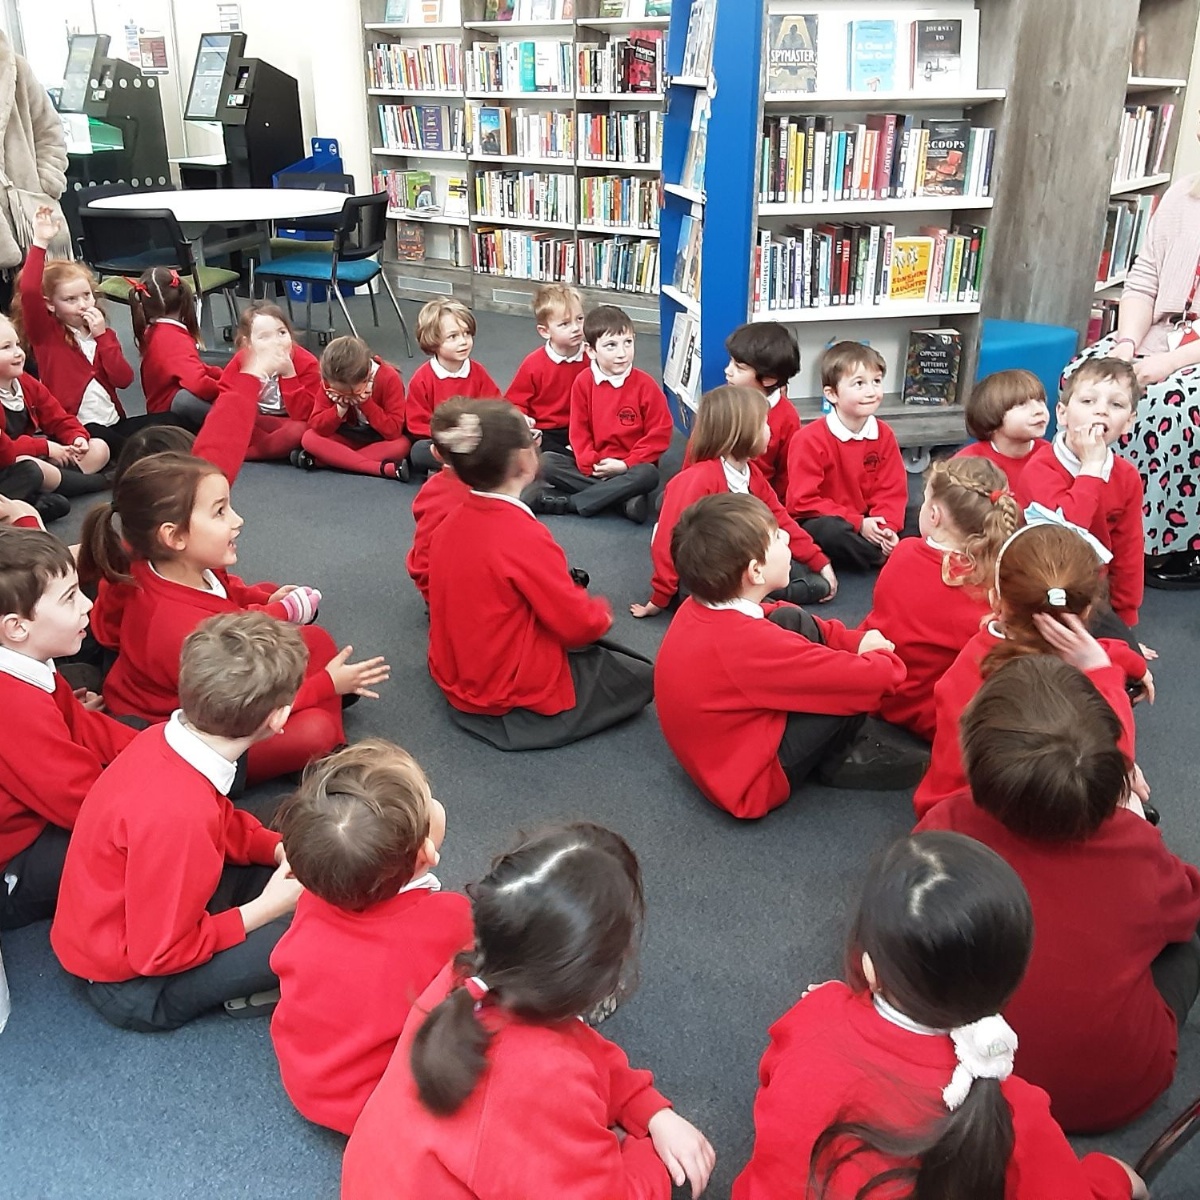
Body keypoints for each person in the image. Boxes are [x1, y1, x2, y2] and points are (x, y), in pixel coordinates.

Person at [732, 831, 1148, 1200]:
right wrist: (1115, 1181)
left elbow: (772, 1086)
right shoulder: (1011, 1111)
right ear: (1011, 979)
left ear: (872, 968)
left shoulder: (813, 1017)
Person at [342, 821, 717, 1199]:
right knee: (679, 1176)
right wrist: (649, 1155)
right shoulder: (548, 1076)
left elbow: (583, 1047)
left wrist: (649, 1110)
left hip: (391, 1181)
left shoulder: (466, 977)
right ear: (596, 978)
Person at [917, 655, 1200, 1133]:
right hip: (1112, 1092)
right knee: (1184, 939)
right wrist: (1133, 823)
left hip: (960, 1079)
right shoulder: (1134, 848)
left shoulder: (943, 824)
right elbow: (1186, 909)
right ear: (1112, 773)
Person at [50, 613, 309, 1032]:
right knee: (308, 933)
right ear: (278, 719)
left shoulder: (164, 739)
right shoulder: (181, 816)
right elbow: (158, 954)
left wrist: (274, 847)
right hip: (135, 985)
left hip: (139, 921)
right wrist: (265, 909)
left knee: (287, 828)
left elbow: (221, 819)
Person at [85, 450, 389, 783]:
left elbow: (228, 595)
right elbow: (235, 709)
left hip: (230, 681)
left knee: (314, 640)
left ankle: (316, 717)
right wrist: (325, 685)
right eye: (219, 512)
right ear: (174, 536)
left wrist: (265, 599)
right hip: (204, 730)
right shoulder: (179, 631)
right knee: (314, 732)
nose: (237, 519)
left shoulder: (182, 564)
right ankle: (325, 744)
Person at [654, 494, 926, 820]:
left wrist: (853, 641)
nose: (786, 536)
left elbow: (777, 612)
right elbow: (877, 680)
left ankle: (832, 744)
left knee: (790, 619)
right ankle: (838, 760)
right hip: (749, 784)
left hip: (717, 751)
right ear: (755, 571)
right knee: (850, 692)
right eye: (775, 537)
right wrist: (881, 654)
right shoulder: (750, 645)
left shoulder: (701, 605)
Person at [269, 739, 473, 1136]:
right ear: (426, 854)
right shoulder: (452, 918)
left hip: (306, 1078)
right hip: (375, 1107)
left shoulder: (315, 898)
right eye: (429, 798)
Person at [426, 400, 653, 750]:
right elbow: (576, 624)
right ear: (523, 459)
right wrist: (601, 614)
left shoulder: (450, 521)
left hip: (455, 670)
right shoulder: (523, 535)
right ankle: (524, 721)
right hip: (503, 687)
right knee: (641, 677)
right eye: (534, 439)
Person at [912, 521, 1149, 818]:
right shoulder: (1069, 681)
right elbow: (1118, 755)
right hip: (1013, 818)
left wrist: (1121, 660)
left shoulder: (971, 663)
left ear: (996, 600)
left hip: (951, 815)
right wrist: (1103, 671)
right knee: (1131, 803)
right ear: (1087, 611)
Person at [1063, 172, 1200, 586]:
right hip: (1160, 332)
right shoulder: (1180, 195)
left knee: (1167, 403)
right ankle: (1079, 509)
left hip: (1192, 351)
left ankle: (1162, 544)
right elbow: (1144, 281)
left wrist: (1171, 362)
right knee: (1084, 379)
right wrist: (1125, 345)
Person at [0, 527, 135, 929]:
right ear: (17, 627)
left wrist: (163, 750)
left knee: (136, 733)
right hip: (16, 859)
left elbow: (83, 725)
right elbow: (80, 801)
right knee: (129, 846)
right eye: (70, 598)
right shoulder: (14, 706)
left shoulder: (29, 660)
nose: (88, 604)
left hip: (43, 810)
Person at [631, 385, 835, 617]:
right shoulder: (698, 479)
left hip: (741, 559)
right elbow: (667, 540)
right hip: (705, 572)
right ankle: (768, 600)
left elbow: (780, 519)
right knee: (745, 603)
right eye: (764, 425)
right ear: (741, 432)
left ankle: (768, 596)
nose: (770, 431)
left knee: (793, 565)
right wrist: (660, 597)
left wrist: (819, 560)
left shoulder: (751, 473)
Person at [860, 458, 1020, 741]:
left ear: (934, 515)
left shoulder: (905, 553)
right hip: (940, 716)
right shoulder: (997, 584)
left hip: (886, 693)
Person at [13, 207, 180, 456]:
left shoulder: (102, 333)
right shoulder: (47, 335)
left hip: (113, 423)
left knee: (172, 422)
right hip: (77, 429)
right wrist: (40, 243)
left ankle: (128, 456)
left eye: (87, 296)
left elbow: (123, 380)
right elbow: (29, 291)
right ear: (50, 304)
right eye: (70, 299)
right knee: (113, 441)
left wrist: (103, 338)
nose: (83, 304)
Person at [1018, 358, 1144, 627]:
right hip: (1038, 588)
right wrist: (1092, 468)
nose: (1101, 411)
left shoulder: (1126, 476)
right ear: (1062, 414)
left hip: (1092, 595)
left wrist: (1125, 622)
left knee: (1125, 663)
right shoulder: (1041, 467)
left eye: (1116, 404)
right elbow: (1066, 533)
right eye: (1088, 402)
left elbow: (1128, 551)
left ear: (1128, 422)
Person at [535, 304, 673, 524]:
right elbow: (578, 430)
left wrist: (626, 464)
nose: (622, 353)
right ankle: (623, 501)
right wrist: (593, 463)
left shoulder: (646, 385)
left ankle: (572, 502)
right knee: (547, 462)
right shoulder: (583, 382)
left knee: (649, 475)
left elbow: (660, 433)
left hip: (632, 467)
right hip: (597, 465)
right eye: (611, 345)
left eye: (628, 342)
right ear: (590, 351)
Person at [785, 341, 909, 570]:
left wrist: (886, 526)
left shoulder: (884, 434)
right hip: (826, 518)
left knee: (918, 515)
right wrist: (859, 523)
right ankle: (884, 555)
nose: (871, 391)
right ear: (831, 394)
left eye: (877, 382)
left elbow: (892, 489)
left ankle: (882, 547)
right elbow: (802, 502)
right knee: (829, 532)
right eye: (859, 384)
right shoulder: (809, 439)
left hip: (867, 518)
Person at [0, 311, 109, 503]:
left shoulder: (25, 383)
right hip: (10, 463)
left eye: (17, 344)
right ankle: (93, 483)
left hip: (31, 457)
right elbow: (6, 451)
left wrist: (76, 437)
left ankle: (47, 488)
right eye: (6, 347)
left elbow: (57, 417)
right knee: (31, 468)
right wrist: (45, 447)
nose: (18, 352)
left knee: (98, 447)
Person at [0, 29, 68, 306]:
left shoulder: (13, 69)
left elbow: (49, 130)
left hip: (22, 220)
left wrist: (46, 183)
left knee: (33, 318)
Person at [405, 298, 501, 475]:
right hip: (443, 443)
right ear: (433, 341)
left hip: (474, 438)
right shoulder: (422, 378)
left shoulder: (478, 371)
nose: (464, 341)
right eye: (453, 337)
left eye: (467, 333)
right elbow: (416, 424)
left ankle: (454, 471)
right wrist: (448, 437)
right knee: (418, 451)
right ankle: (467, 470)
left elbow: (495, 406)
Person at [217, 301, 323, 462]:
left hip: (288, 421)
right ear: (248, 343)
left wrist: (289, 375)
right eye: (265, 337)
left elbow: (305, 414)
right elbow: (227, 396)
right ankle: (277, 449)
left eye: (282, 333)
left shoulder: (307, 362)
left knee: (301, 431)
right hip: (257, 420)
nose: (276, 341)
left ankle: (246, 453)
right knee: (215, 415)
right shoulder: (243, 360)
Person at [296, 335, 410, 480]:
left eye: (353, 392)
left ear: (367, 377)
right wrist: (339, 409)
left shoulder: (389, 377)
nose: (347, 396)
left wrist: (365, 403)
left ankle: (325, 460)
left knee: (402, 445)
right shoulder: (329, 380)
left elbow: (393, 431)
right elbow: (318, 426)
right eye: (340, 392)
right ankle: (379, 468)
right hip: (347, 436)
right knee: (309, 438)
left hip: (377, 438)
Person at [129, 266, 223, 428]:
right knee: (227, 409)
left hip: (162, 407)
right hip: (169, 414)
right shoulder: (172, 339)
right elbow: (199, 384)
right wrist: (225, 389)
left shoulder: (155, 330)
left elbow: (190, 367)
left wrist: (222, 374)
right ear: (183, 299)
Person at [505, 282, 588, 457]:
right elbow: (515, 402)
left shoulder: (593, 356)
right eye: (565, 324)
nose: (576, 328)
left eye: (579, 319)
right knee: (536, 447)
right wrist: (523, 418)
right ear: (545, 331)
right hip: (546, 429)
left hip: (583, 426)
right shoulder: (534, 363)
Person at [723, 321, 802, 503]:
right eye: (731, 362)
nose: (728, 371)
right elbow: (696, 453)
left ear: (768, 379)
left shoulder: (787, 417)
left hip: (756, 501)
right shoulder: (723, 402)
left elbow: (786, 475)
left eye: (739, 368)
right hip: (712, 490)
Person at [405, 397, 472, 604]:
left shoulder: (430, 489)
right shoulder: (482, 493)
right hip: (454, 591)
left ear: (435, 454)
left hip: (432, 583)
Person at [954, 368, 1051, 490]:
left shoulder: (1052, 456)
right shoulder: (968, 462)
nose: (1039, 410)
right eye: (1021, 404)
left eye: (1040, 401)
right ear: (991, 414)